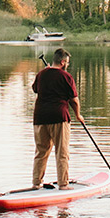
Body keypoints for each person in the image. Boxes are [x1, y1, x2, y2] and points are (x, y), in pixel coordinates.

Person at [31, 48, 80, 189]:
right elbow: (74, 100)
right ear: (63, 62)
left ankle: (36, 183)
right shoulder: (66, 77)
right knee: (62, 152)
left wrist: (47, 73)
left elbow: (36, 89)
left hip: (40, 118)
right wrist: (78, 115)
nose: (68, 65)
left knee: (41, 152)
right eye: (67, 63)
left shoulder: (41, 74)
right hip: (59, 117)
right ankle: (63, 185)